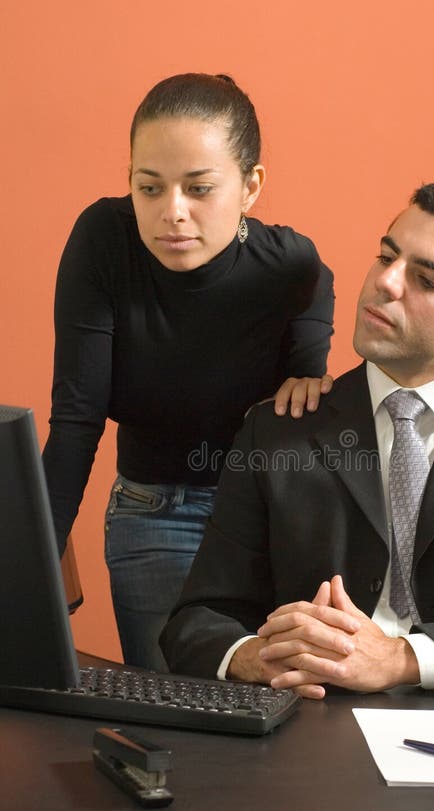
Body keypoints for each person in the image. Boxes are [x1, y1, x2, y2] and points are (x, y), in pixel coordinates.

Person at [160, 182, 434, 697]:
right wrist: (258, 658)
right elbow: (196, 621)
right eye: (387, 257)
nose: (386, 283)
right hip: (314, 714)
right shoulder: (278, 427)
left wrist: (402, 658)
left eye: (426, 280)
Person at [42, 73, 334, 671]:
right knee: (171, 702)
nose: (172, 212)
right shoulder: (104, 241)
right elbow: (76, 419)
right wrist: (28, 566)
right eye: (149, 187)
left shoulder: (288, 267)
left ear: (250, 187)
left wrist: (309, 370)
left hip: (267, 515)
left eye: (199, 188)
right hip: (156, 510)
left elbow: (311, 324)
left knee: (281, 704)